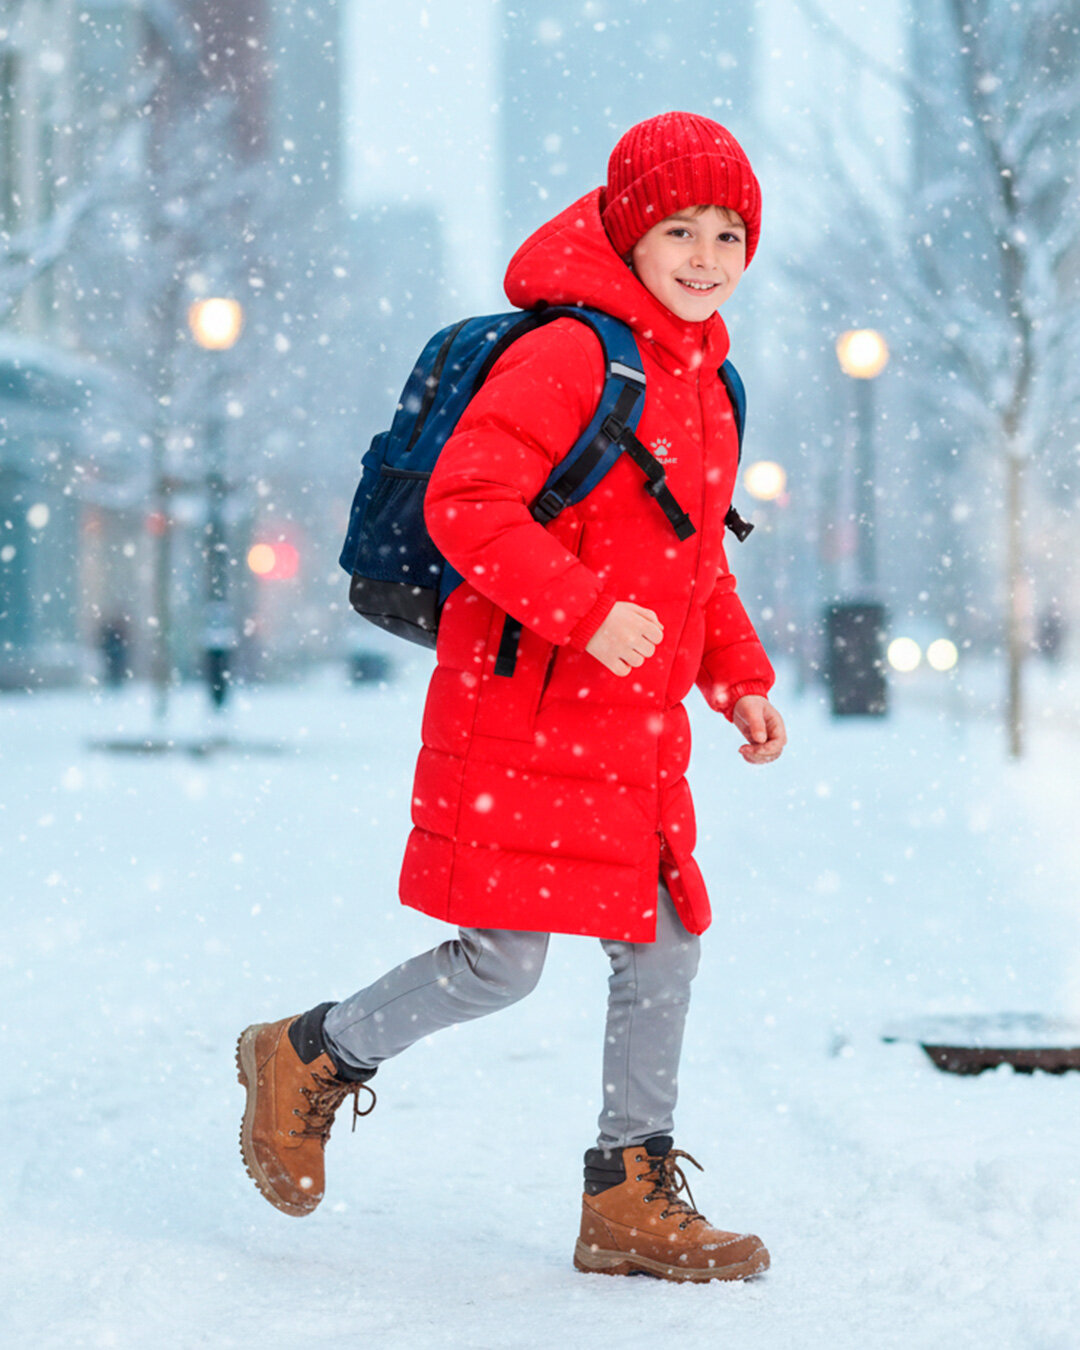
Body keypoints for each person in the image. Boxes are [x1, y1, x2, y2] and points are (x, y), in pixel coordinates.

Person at [237, 111, 787, 1284]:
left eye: (728, 231)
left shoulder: (709, 384)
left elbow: (697, 563)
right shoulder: (571, 357)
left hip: (632, 724)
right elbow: (467, 504)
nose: (704, 253)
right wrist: (585, 610)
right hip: (526, 708)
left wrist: (737, 678)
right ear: (629, 232)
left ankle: (628, 1192)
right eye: (678, 228)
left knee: (669, 942)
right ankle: (306, 1056)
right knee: (503, 962)